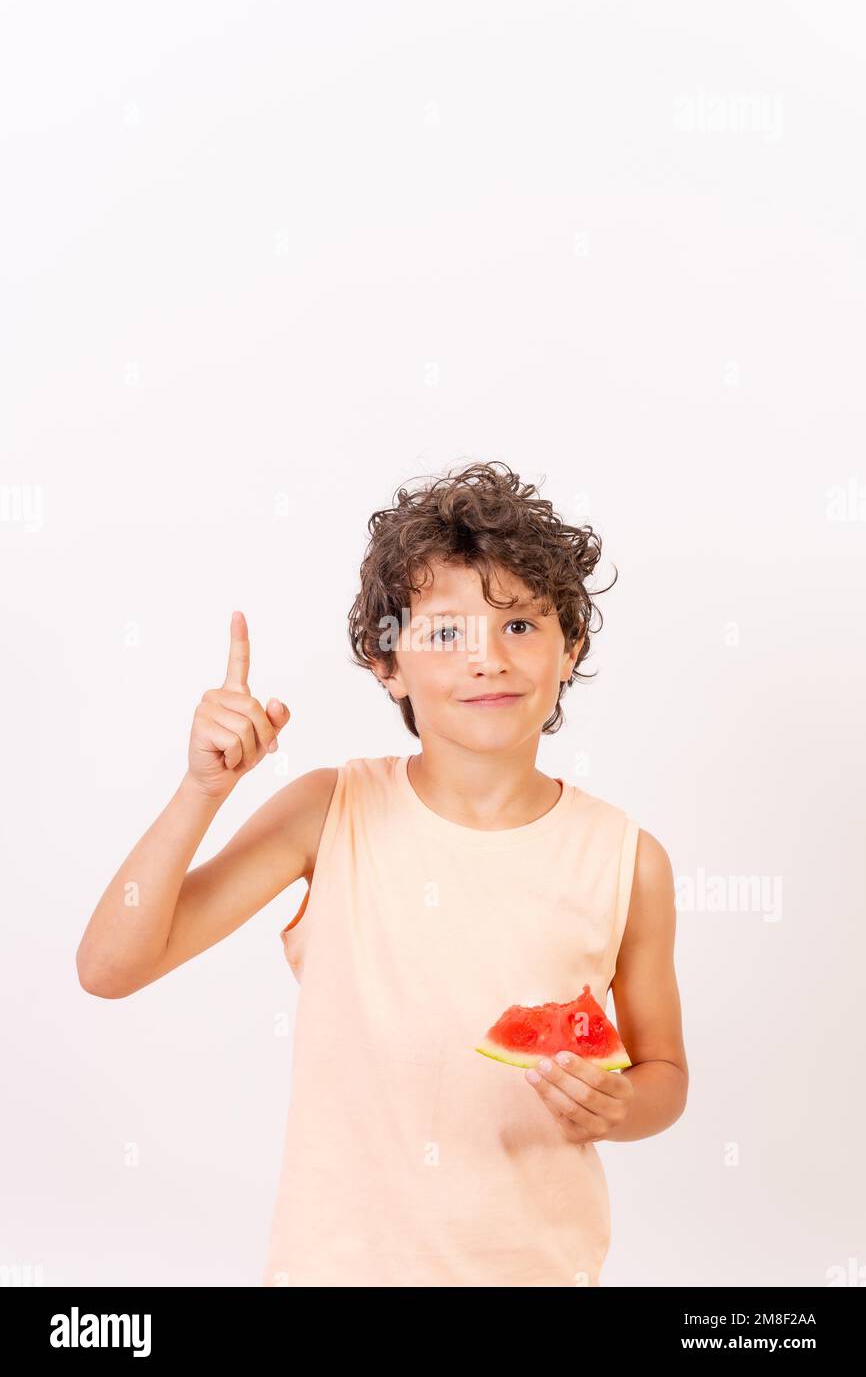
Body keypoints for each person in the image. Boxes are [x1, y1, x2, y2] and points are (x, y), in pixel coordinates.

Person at [77, 460, 688, 1287]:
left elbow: (664, 1076)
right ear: (385, 664)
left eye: (519, 626)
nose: (488, 660)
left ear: (569, 646)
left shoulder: (626, 857)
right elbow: (110, 968)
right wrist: (202, 789)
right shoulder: (328, 812)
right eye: (445, 633)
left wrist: (619, 1110)